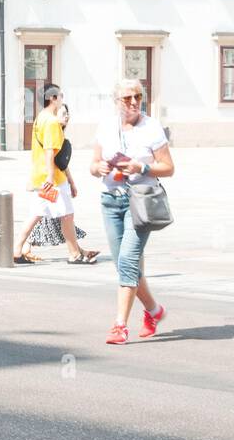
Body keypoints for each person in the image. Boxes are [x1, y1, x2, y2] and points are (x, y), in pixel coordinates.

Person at [90, 78, 175, 345]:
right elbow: (93, 164)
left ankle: (120, 326)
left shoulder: (152, 127)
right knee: (123, 265)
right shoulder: (106, 126)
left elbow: (168, 167)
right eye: (127, 98)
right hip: (110, 201)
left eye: (138, 96)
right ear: (117, 101)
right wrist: (98, 168)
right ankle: (154, 311)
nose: (134, 102)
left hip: (139, 203)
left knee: (127, 261)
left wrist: (143, 167)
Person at [13, 85, 97, 265]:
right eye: (60, 95)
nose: (62, 99)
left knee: (37, 213)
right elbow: (50, 150)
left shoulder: (39, 119)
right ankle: (74, 254)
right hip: (53, 179)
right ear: (52, 97)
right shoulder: (51, 121)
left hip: (41, 176)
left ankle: (17, 250)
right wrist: (51, 176)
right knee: (66, 215)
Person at [22, 102, 88, 256]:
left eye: (67, 113)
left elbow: (62, 164)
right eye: (63, 113)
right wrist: (55, 179)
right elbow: (51, 160)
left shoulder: (57, 133)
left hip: (53, 182)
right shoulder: (51, 131)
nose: (67, 116)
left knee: (55, 216)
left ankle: (78, 251)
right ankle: (22, 247)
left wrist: (71, 182)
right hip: (51, 183)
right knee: (49, 216)